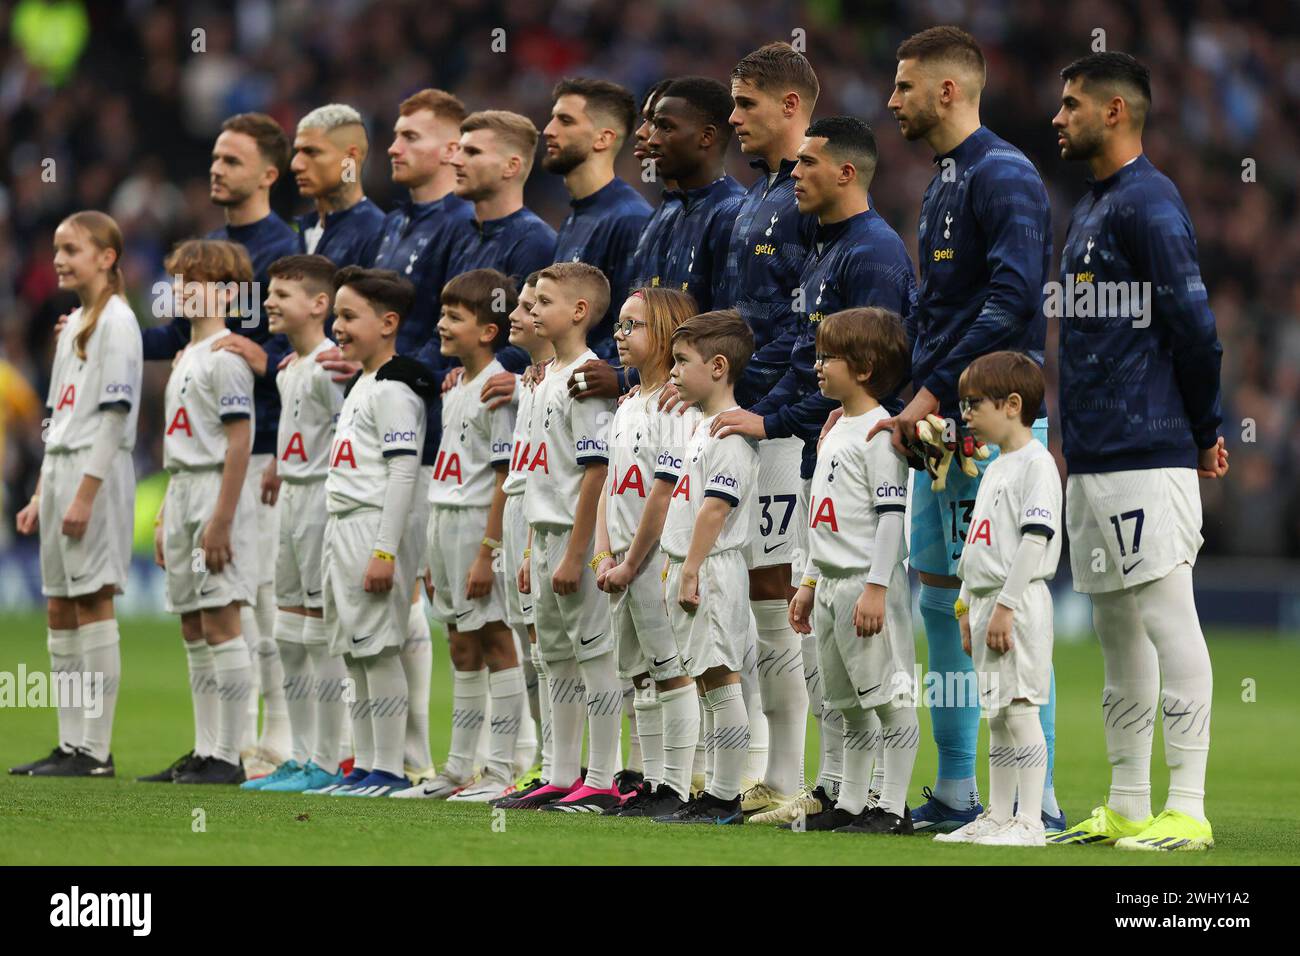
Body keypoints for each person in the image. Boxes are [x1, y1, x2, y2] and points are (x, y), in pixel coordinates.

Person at [880, 25, 1061, 831]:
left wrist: (929, 390)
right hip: (942, 427)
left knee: (1001, 603)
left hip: (993, 427)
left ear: (948, 90)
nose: (891, 101)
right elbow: (942, 306)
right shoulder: (945, 180)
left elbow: (1014, 299)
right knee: (943, 598)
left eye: (904, 86)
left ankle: (1039, 800)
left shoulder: (1005, 176)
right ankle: (959, 787)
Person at [715, 115, 918, 821]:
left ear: (846, 172)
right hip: (824, 512)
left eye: (805, 164)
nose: (791, 174)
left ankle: (887, 804)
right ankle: (837, 792)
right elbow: (813, 363)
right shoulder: (823, 247)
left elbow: (882, 351)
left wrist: (775, 418)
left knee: (883, 686)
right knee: (836, 682)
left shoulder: (875, 254)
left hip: (863, 557)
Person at [1049, 52, 1227, 851]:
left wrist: (1207, 427)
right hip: (1093, 453)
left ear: (1115, 112)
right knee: (1118, 630)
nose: (1057, 116)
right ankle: (1126, 801)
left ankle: (1186, 805)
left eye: (1071, 103)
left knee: (1166, 615)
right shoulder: (1093, 206)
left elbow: (1195, 327)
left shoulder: (1150, 204)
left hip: (1148, 448)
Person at [143, 112, 301, 777]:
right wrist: (103, 323)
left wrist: (265, 354)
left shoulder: (282, 250)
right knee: (216, 605)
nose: (216, 168)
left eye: (231, 160)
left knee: (256, 597)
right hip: (204, 455)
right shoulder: (206, 250)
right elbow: (164, 334)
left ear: (268, 173)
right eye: (214, 157)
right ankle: (220, 746)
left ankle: (275, 740)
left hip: (257, 449)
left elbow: (305, 335)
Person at [10, 211, 141, 779]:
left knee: (93, 600)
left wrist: (84, 494)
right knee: (61, 607)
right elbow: (58, 417)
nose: (59, 259)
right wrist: (43, 493)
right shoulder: (75, 324)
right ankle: (70, 744)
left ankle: (95, 749)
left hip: (97, 473)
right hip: (62, 470)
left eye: (72, 249)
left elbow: (115, 418)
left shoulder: (117, 323)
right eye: (57, 248)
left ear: (106, 258)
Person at [393, 270, 524, 802]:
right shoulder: (456, 387)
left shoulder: (498, 392)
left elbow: (501, 477)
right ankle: (457, 768)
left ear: (488, 330)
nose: (441, 325)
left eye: (454, 317)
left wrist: (488, 550)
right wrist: (429, 552)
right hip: (443, 527)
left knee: (496, 640)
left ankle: (501, 769)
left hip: (476, 528)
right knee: (459, 645)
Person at [785, 307, 917, 834]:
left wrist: (877, 588)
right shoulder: (835, 427)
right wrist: (810, 583)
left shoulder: (879, 435)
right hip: (833, 585)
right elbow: (825, 520)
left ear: (863, 368)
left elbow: (891, 519)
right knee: (850, 704)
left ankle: (893, 807)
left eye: (828, 357)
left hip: (867, 583)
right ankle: (854, 803)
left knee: (890, 696)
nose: (817, 366)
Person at [140, 239, 259, 785]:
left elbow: (239, 443)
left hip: (215, 491)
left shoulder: (229, 356)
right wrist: (167, 510)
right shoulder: (186, 354)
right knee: (192, 622)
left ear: (229, 292)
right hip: (184, 488)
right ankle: (205, 748)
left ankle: (230, 755)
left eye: (197, 281)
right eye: (179, 281)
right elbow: (180, 439)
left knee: (222, 618)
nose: (183, 291)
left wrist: (222, 519)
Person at [506, 262, 622, 812]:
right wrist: (532, 548)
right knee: (554, 658)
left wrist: (579, 554)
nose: (530, 312)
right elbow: (539, 473)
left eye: (541, 303)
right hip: (545, 534)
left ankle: (602, 779)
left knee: (595, 657)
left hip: (578, 542)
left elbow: (595, 473)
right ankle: (560, 772)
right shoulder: (545, 376)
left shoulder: (588, 379)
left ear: (578, 312)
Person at [316, 267, 434, 798]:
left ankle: (389, 766)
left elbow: (404, 471)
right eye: (335, 315)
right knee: (354, 650)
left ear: (388, 323)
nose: (336, 327)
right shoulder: (363, 381)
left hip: (370, 526)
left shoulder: (395, 386)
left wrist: (385, 549)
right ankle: (366, 763)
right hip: (343, 524)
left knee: (380, 648)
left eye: (347, 316)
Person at [935, 351, 1061, 847]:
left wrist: (1006, 606)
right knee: (998, 713)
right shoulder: (995, 467)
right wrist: (967, 608)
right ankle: (997, 814)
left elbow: (1035, 538)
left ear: (1012, 404)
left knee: (1021, 708)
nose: (964, 414)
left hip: (1020, 603)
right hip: (988, 601)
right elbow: (977, 544)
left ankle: (1029, 820)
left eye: (973, 404)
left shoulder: (1037, 464)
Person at [591, 288, 702, 817]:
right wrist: (602, 555)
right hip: (623, 564)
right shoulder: (630, 401)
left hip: (652, 562)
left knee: (671, 671)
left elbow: (663, 491)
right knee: (639, 674)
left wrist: (633, 562)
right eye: (618, 324)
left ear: (665, 333)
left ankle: (676, 786)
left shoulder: (674, 407)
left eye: (632, 325)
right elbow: (612, 487)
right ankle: (649, 779)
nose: (619, 334)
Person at [240, 255, 348, 794]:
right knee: (288, 630)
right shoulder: (291, 367)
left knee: (320, 630)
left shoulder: (335, 367)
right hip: (291, 503)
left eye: (281, 294)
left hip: (324, 504)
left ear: (318, 304)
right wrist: (280, 465)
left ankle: (330, 759)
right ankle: (302, 755)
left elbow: (346, 440)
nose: (269, 304)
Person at [654, 310, 758, 825]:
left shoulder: (732, 438)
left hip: (713, 569)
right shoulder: (701, 428)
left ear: (718, 366)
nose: (672, 372)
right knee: (706, 679)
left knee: (722, 677)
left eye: (681, 362)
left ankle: (723, 796)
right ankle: (717, 790)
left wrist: (690, 569)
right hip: (691, 566)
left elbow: (715, 509)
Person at [489, 273, 556, 805]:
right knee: (528, 642)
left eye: (531, 305)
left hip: (546, 521)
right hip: (520, 514)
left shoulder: (577, 380)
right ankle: (547, 759)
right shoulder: (531, 378)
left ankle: (572, 764)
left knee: (554, 648)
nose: (517, 314)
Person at [544, 78, 653, 362]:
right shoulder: (575, 217)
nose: (548, 130)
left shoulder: (630, 219)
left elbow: (634, 322)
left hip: (596, 395)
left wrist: (599, 367)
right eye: (552, 118)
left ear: (603, 139)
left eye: (565, 121)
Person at [633, 77, 744, 312]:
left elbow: (727, 325)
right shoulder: (667, 214)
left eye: (666, 127)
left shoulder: (733, 215)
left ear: (706, 137)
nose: (652, 140)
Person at [448, 110, 557, 284]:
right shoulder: (462, 236)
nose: (455, 160)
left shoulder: (534, 243)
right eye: (459, 150)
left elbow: (508, 310)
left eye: (472, 152)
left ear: (511, 166)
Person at [292, 103, 385, 266]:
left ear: (350, 157)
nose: (296, 164)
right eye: (297, 152)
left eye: (311, 152)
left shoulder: (376, 233)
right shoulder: (303, 229)